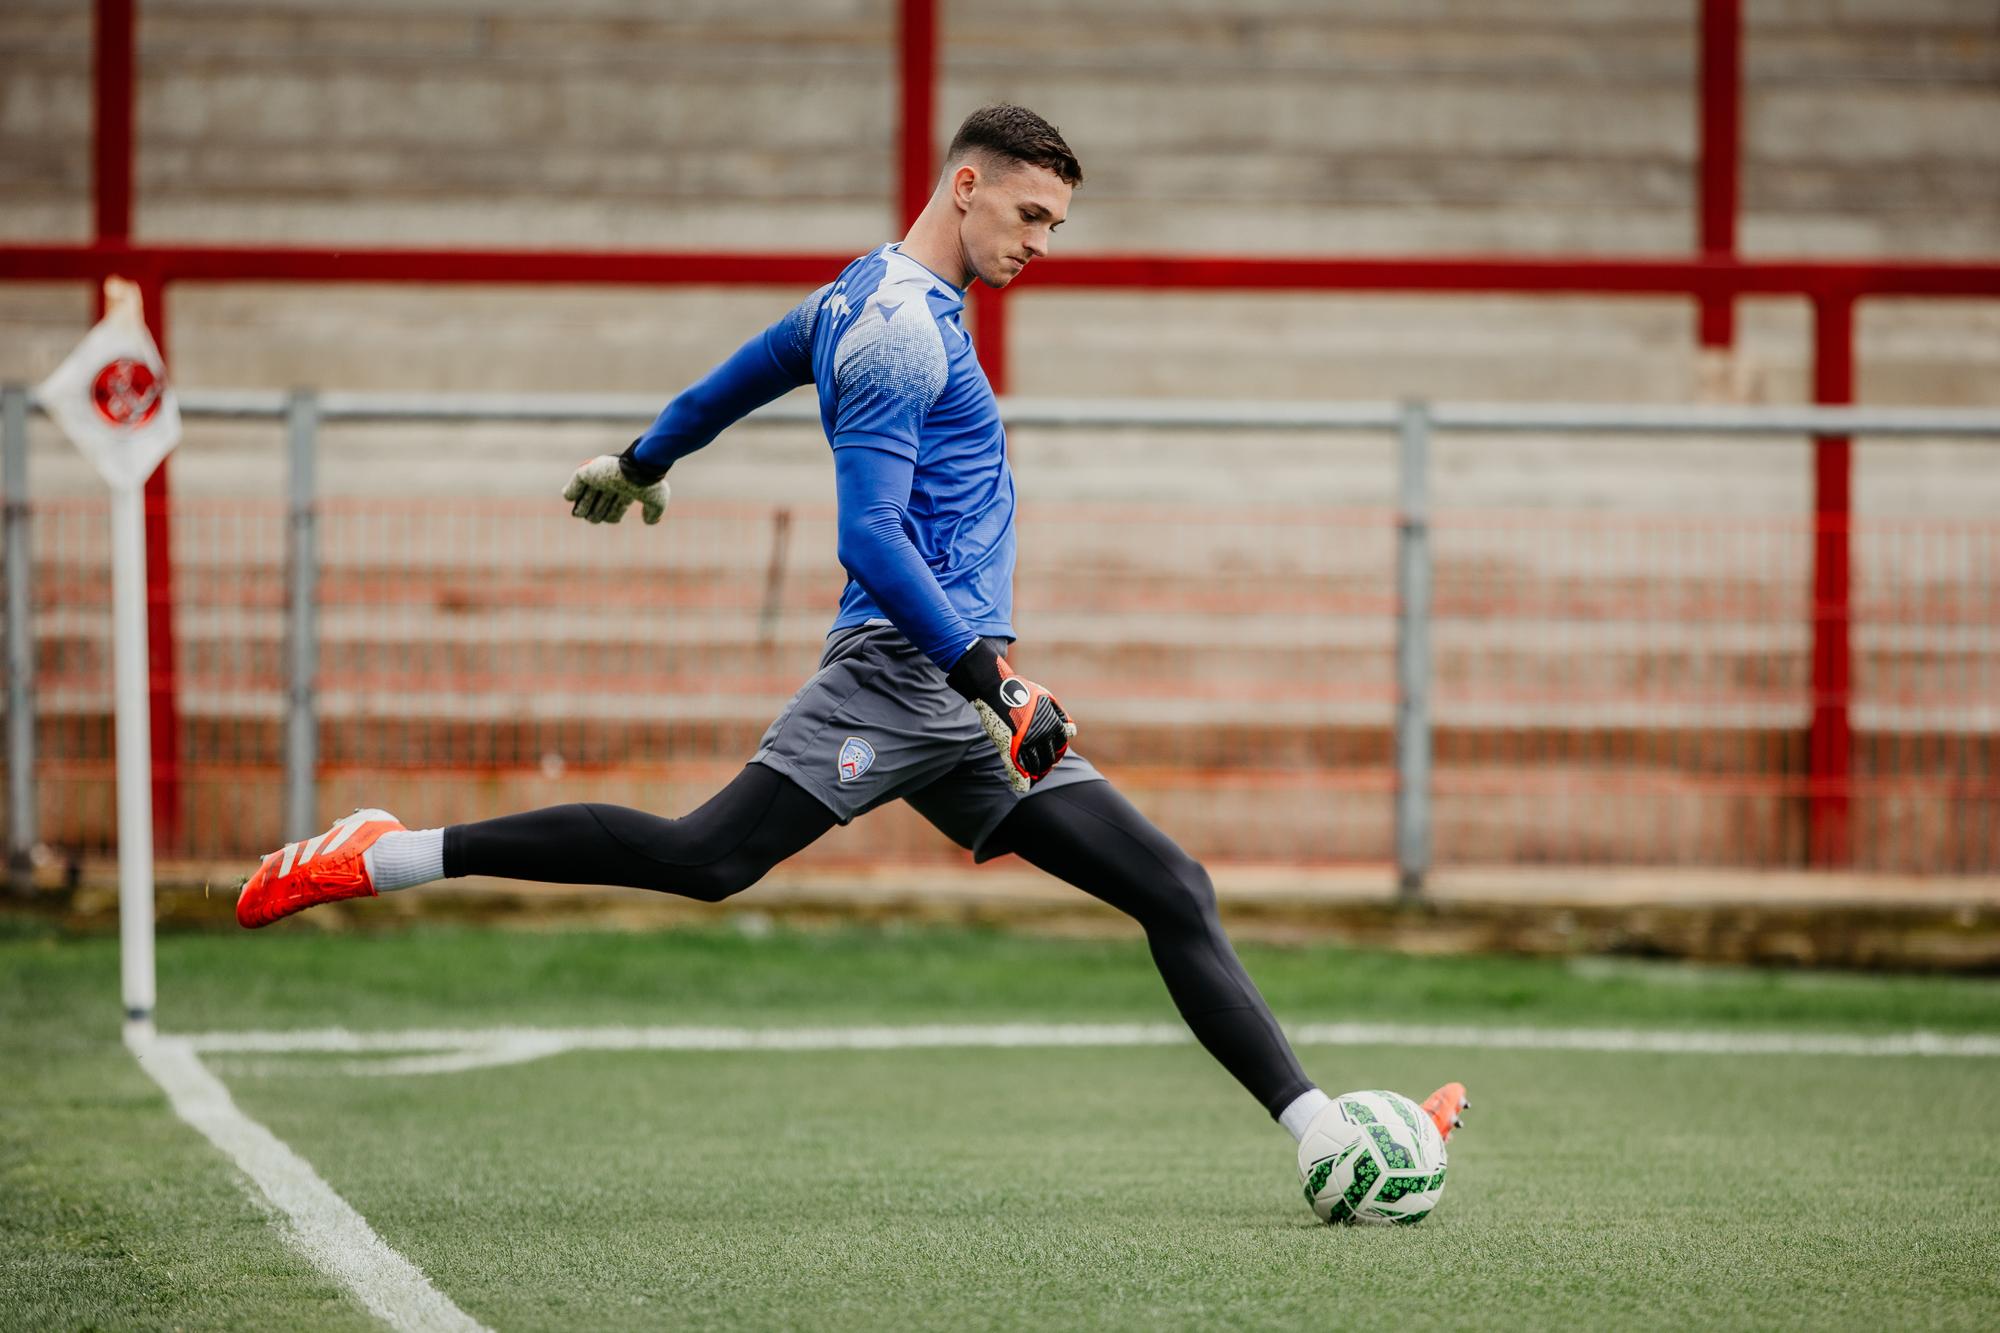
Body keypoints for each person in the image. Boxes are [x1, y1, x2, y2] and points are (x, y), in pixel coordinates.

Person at [236, 104, 1466, 1188]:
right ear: (965, 185)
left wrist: (642, 460)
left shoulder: (865, 295)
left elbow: (739, 377)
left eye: (1058, 225)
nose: (1041, 243)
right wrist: (993, 679)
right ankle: (388, 855)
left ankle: (1322, 1135)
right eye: (1030, 214)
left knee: (1168, 889)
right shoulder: (896, 329)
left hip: (956, 698)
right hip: (907, 677)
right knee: (706, 859)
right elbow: (870, 537)